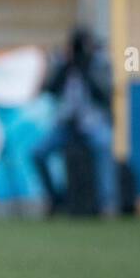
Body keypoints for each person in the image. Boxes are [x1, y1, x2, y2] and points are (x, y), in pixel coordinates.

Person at [31, 27, 117, 216]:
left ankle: (107, 203)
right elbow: (50, 90)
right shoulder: (65, 64)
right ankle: (54, 198)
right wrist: (66, 67)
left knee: (104, 147)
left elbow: (105, 94)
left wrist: (86, 69)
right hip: (66, 124)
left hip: (92, 123)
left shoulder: (99, 63)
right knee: (38, 153)